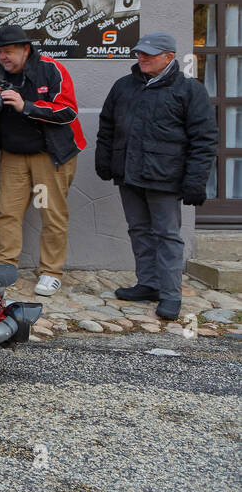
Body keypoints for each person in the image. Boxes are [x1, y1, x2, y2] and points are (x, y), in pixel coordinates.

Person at [96, 32, 217, 320]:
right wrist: (105, 160)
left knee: (167, 236)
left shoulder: (189, 91)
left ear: (169, 57)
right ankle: (148, 284)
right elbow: (107, 126)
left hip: (165, 178)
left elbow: (204, 139)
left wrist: (195, 181)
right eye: (140, 53)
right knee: (138, 230)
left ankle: (171, 294)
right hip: (129, 174)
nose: (142, 58)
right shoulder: (124, 86)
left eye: (149, 54)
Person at [0, 23, 86, 297]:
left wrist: (26, 106)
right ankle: (5, 266)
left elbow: (67, 111)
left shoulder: (51, 69)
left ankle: (51, 271)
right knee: (7, 211)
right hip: (14, 154)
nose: (3, 57)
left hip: (48, 155)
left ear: (26, 50)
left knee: (51, 213)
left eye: (9, 51)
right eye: (0, 51)